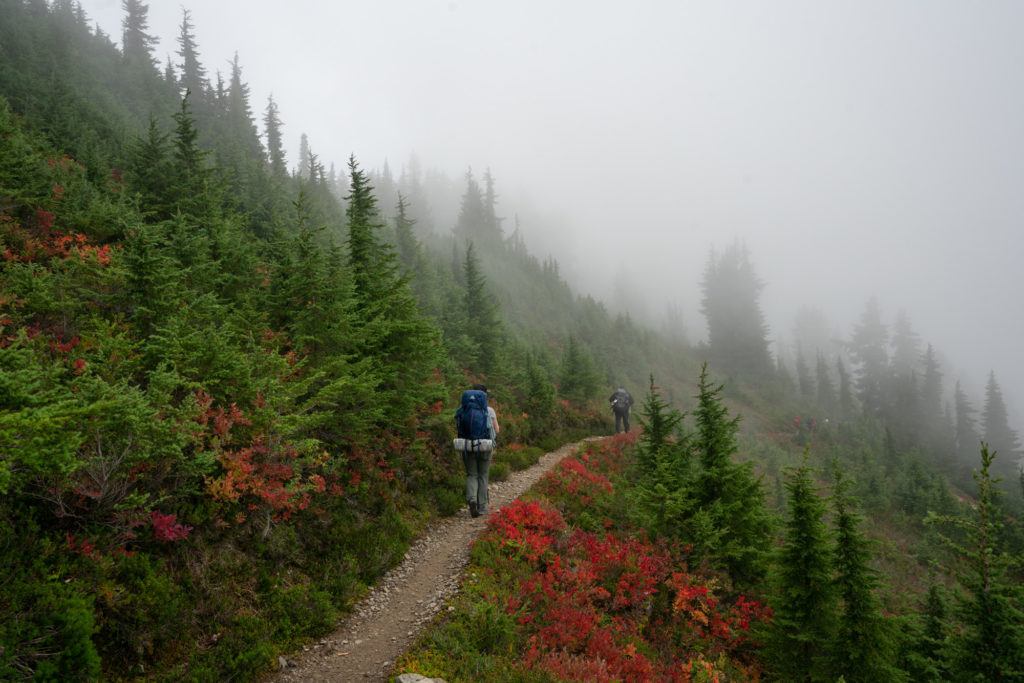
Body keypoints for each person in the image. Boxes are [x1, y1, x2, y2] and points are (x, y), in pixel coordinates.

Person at [461, 384, 499, 517]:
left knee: (472, 474)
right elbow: (496, 430)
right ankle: (482, 506)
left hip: (468, 446)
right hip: (484, 447)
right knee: (483, 475)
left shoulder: (463, 409)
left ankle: (471, 499)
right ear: (484, 395)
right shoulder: (489, 410)